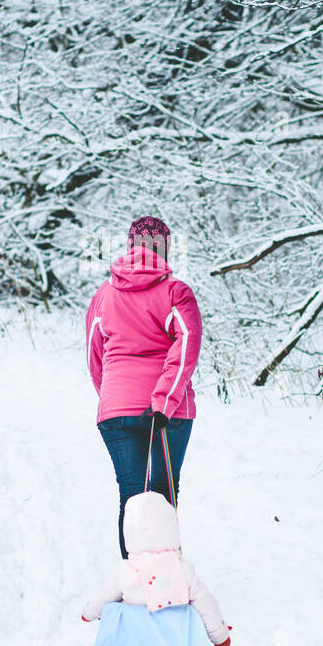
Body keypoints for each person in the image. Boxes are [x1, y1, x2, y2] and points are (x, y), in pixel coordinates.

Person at [86, 216, 202, 557]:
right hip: (169, 410)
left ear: (130, 246)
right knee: (164, 493)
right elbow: (188, 344)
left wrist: (113, 398)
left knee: (132, 495)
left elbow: (95, 357)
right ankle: (167, 575)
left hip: (116, 410)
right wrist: (164, 400)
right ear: (165, 248)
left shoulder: (103, 296)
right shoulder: (176, 292)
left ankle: (135, 578)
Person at [81, 490, 230, 646]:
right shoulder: (182, 569)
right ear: (172, 528)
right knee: (194, 604)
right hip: (177, 641)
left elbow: (105, 595)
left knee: (118, 608)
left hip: (136, 642)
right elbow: (205, 602)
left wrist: (88, 613)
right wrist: (219, 636)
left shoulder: (126, 570)